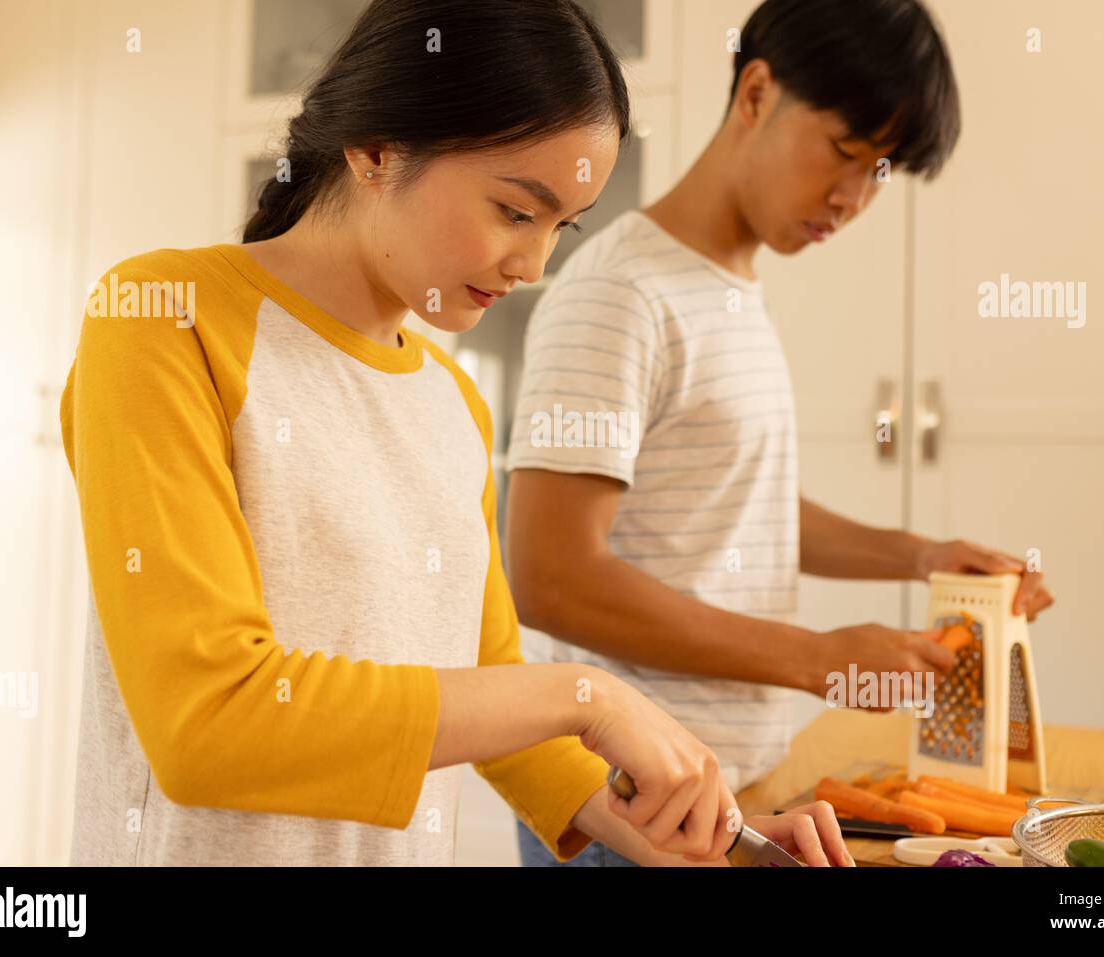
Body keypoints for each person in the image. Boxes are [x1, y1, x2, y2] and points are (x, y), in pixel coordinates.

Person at [60, 0, 851, 867]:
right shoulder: (163, 318)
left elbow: (503, 712)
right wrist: (586, 694)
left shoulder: (453, 405)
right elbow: (207, 723)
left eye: (562, 226)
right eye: (517, 210)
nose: (536, 264)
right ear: (374, 146)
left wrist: (723, 839)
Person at [505, 0, 1053, 867]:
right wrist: (817, 659)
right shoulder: (617, 295)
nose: (854, 196)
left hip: (732, 797)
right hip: (631, 810)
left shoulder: (729, 287)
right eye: (844, 151)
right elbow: (551, 576)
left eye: (880, 171)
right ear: (756, 91)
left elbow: (735, 506)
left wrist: (921, 555)